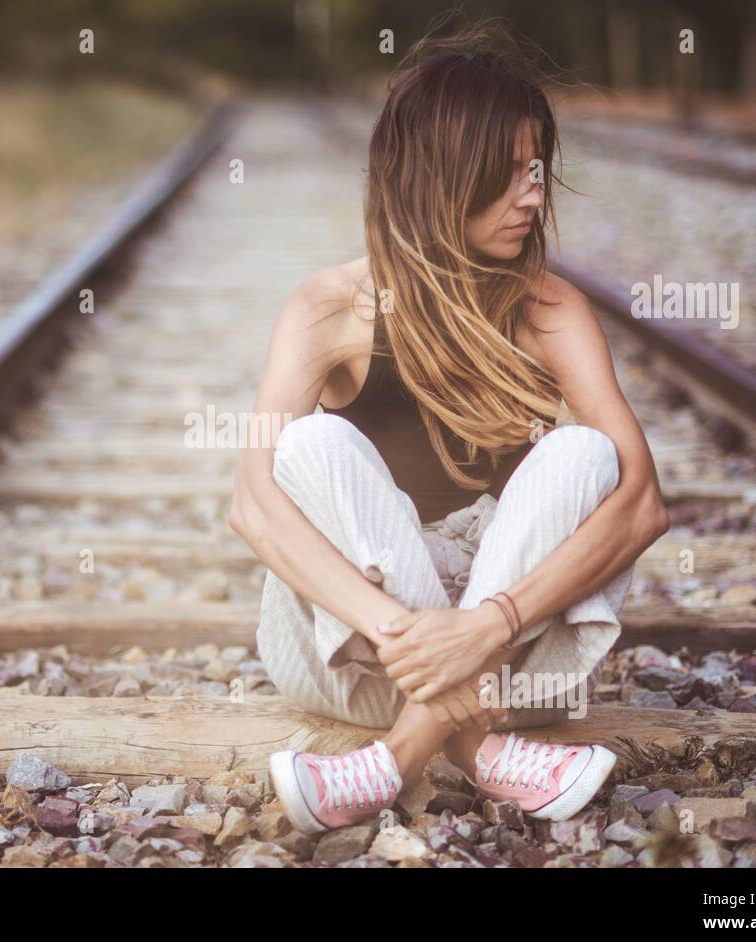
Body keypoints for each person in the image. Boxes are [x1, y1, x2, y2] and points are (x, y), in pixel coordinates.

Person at [228, 26, 670, 835]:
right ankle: (475, 748)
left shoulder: (549, 311)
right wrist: (413, 639)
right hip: (355, 662)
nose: (533, 197)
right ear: (438, 177)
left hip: (511, 669)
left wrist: (484, 627)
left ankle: (394, 759)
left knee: (585, 452)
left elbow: (642, 503)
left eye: (535, 172)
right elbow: (253, 505)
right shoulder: (327, 309)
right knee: (305, 449)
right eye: (505, 176)